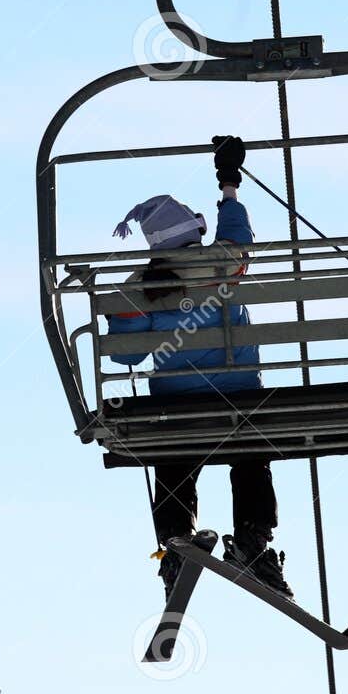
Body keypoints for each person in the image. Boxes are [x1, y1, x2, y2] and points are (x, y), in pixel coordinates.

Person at [105, 135, 293, 600]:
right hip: (239, 395)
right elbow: (239, 236)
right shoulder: (221, 261)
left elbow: (124, 355)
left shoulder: (142, 284)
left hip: (176, 401)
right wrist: (229, 183)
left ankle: (174, 544)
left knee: (173, 457)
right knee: (249, 453)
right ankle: (252, 538)